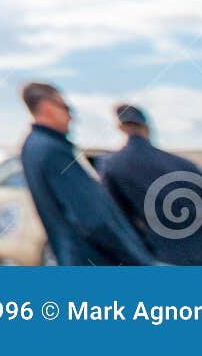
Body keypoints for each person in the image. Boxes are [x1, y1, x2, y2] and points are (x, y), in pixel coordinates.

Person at [17, 81, 155, 266]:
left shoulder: (32, 146)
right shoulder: (52, 150)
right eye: (66, 107)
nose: (71, 117)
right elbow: (94, 220)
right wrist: (139, 259)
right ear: (48, 107)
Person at [99, 102, 202, 265]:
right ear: (146, 129)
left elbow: (115, 220)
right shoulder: (185, 164)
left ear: (120, 127)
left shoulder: (112, 164)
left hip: (170, 258)